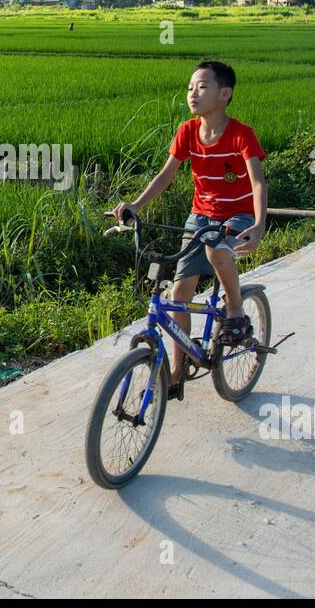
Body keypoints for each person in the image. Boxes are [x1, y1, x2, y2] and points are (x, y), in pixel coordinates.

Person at [112, 60, 267, 400]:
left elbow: (257, 182)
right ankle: (179, 369)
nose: (193, 94)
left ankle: (236, 310)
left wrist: (258, 224)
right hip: (199, 215)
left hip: (236, 215)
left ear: (224, 94)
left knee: (216, 249)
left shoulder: (241, 134)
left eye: (202, 87)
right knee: (178, 296)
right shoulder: (187, 131)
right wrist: (136, 206)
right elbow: (166, 175)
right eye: (189, 88)